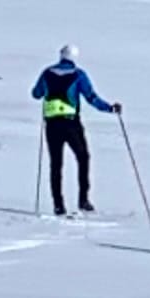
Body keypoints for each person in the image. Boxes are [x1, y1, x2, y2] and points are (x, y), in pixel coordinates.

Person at [32, 45, 121, 215]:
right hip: (71, 124)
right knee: (83, 157)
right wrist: (110, 108)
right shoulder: (79, 74)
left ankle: (58, 205)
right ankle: (83, 200)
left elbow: (36, 94)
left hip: (52, 124)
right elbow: (91, 97)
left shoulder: (47, 73)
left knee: (56, 164)